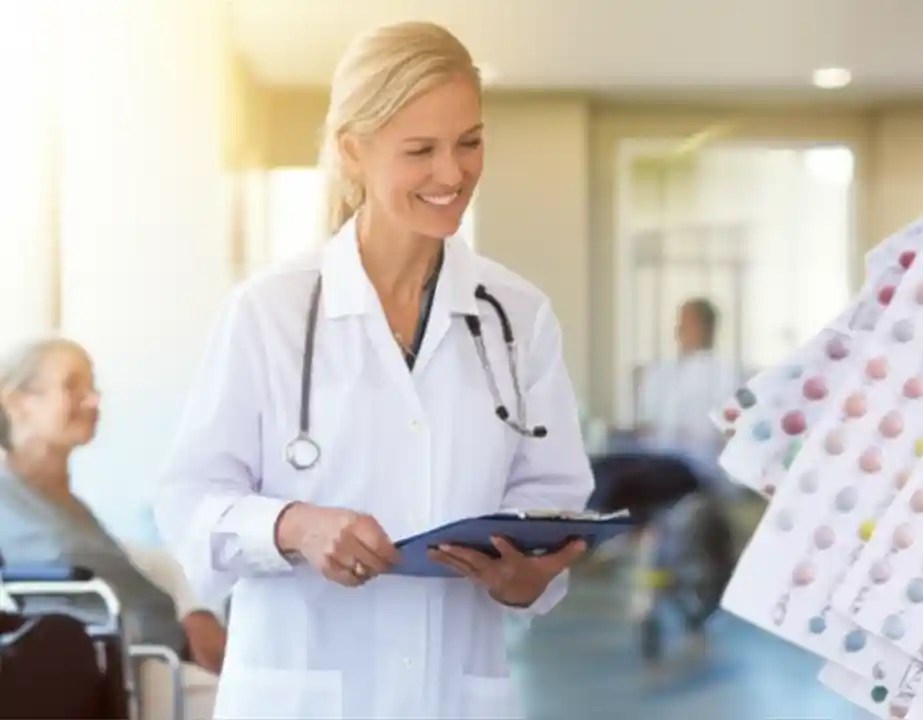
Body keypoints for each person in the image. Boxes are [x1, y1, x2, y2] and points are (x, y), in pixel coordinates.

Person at [151, 20, 594, 719]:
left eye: (470, 143)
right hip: (304, 693)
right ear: (353, 151)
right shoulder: (270, 310)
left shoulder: (518, 316)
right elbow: (187, 501)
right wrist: (294, 525)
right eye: (421, 150)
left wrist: (528, 576)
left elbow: (554, 496)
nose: (453, 174)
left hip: (455, 692)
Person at [0, 338, 227, 675]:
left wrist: (193, 609)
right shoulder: (13, 504)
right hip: (91, 674)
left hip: (155, 664)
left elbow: (134, 565)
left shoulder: (66, 504)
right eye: (72, 386)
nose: (93, 400)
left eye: (93, 386)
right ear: (17, 401)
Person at [635, 298, 740, 475]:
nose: (679, 329)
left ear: (707, 328)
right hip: (654, 457)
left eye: (687, 323)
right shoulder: (662, 371)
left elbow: (725, 430)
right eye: (679, 323)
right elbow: (646, 424)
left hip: (696, 463)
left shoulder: (723, 376)